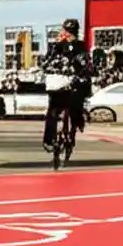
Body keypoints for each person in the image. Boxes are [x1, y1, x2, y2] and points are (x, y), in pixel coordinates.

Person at [41, 18, 91, 149]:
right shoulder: (57, 46)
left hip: (75, 81)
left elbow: (86, 63)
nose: (68, 34)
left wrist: (82, 72)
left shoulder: (80, 46)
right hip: (59, 81)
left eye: (71, 31)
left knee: (76, 105)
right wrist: (48, 67)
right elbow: (47, 61)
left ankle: (75, 126)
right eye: (67, 31)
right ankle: (49, 140)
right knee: (52, 110)